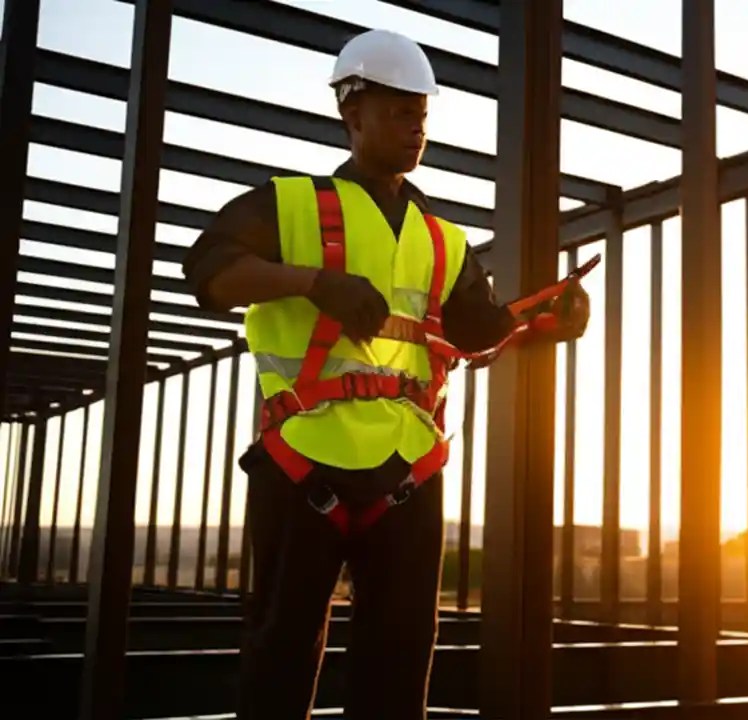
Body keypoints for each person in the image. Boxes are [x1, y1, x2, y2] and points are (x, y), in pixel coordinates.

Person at [180, 28, 591, 720]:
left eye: (422, 115)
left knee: (400, 668)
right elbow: (209, 273)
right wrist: (312, 282)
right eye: (400, 112)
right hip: (303, 464)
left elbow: (478, 329)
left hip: (407, 474)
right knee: (279, 658)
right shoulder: (291, 206)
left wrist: (550, 322)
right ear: (353, 114)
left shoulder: (444, 239)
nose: (415, 128)